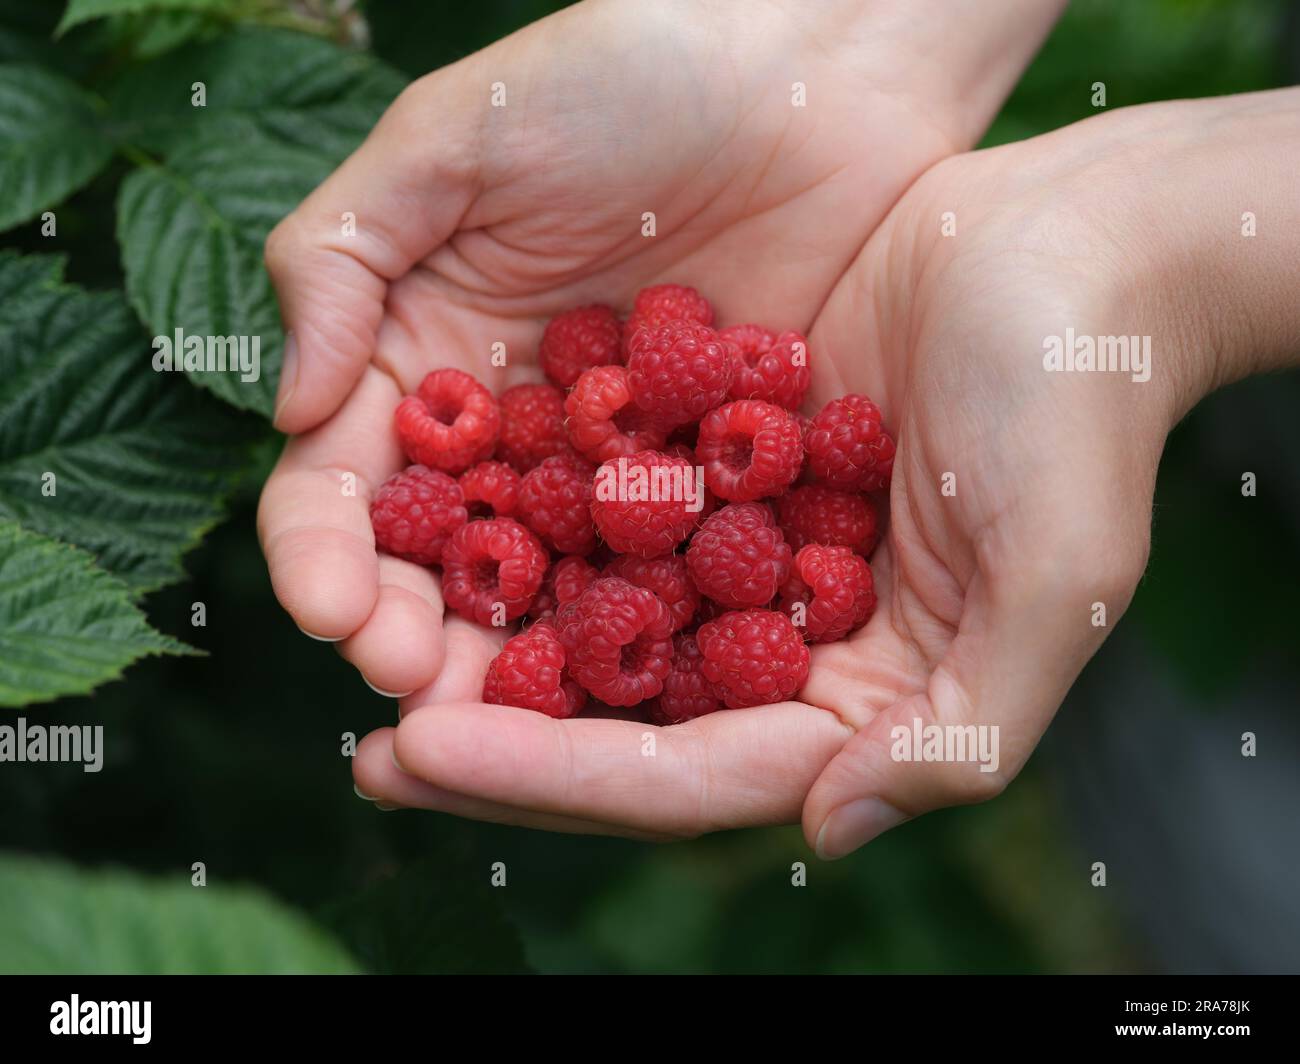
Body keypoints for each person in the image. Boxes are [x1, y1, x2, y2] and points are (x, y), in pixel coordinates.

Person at [256, 0, 1300, 858]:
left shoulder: (730, 518)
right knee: (1205, 825)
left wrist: (1153, 253)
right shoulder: (642, 499)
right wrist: (830, 37)